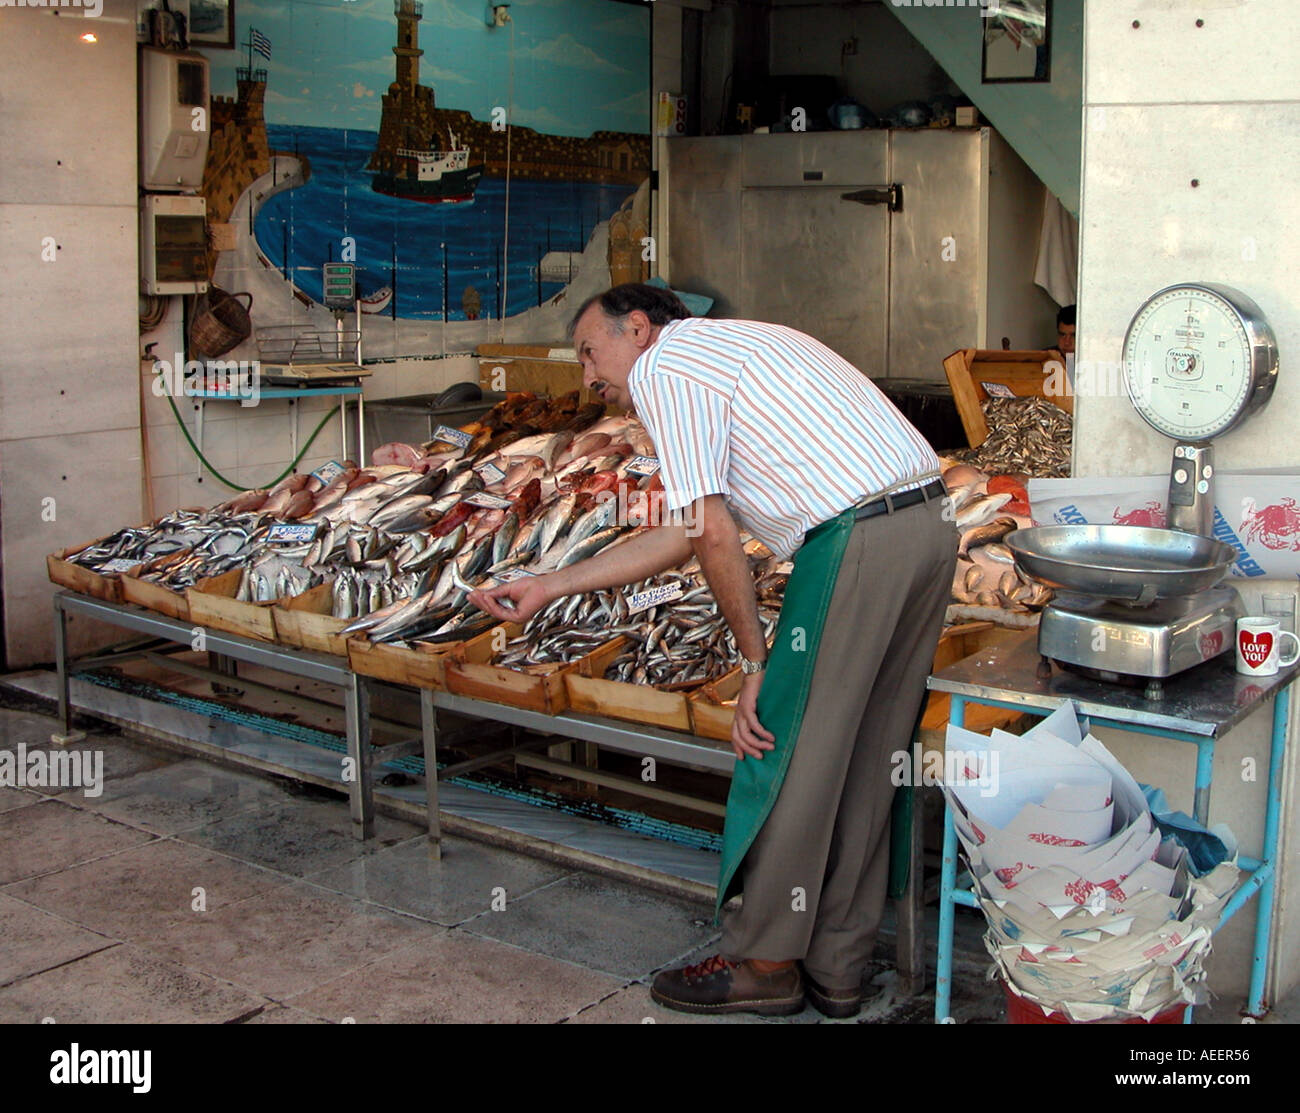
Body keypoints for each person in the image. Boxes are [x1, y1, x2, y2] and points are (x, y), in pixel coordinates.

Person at [470, 284, 957, 1018]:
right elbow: (685, 527)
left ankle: (765, 962)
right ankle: (839, 966)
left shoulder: (666, 368)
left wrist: (755, 664)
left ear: (637, 329)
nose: (587, 376)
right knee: (867, 756)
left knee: (781, 748)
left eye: (588, 351)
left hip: (855, 539)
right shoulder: (736, 345)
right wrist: (554, 583)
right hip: (927, 527)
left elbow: (712, 533)